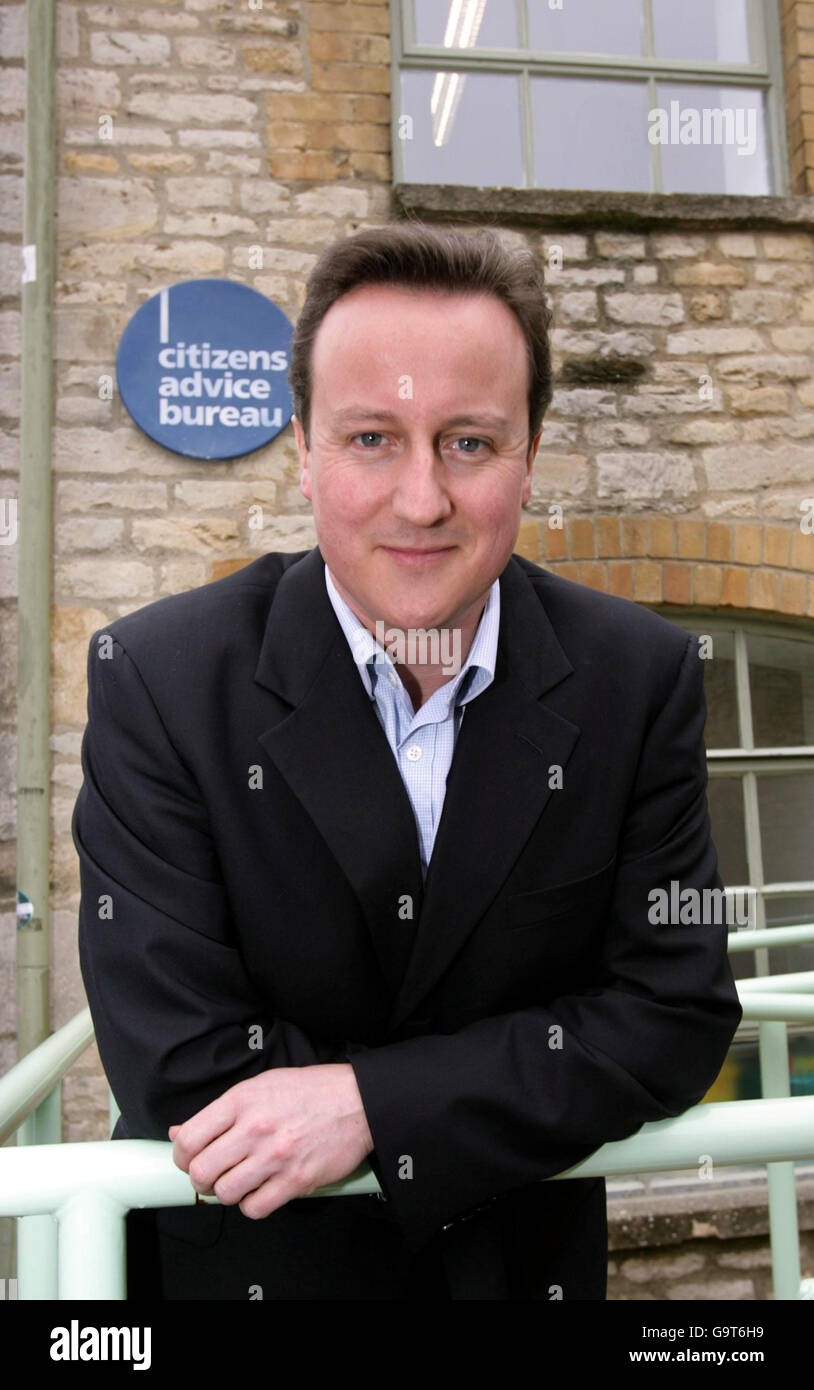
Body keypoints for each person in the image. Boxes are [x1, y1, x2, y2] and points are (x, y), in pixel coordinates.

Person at [72, 222, 742, 1301]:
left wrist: (367, 1104)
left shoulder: (641, 676)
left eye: (468, 442)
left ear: (530, 453)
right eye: (372, 438)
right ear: (302, 451)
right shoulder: (159, 679)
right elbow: (180, 1060)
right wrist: (501, 1081)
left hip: (521, 1275)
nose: (421, 500)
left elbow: (675, 1009)